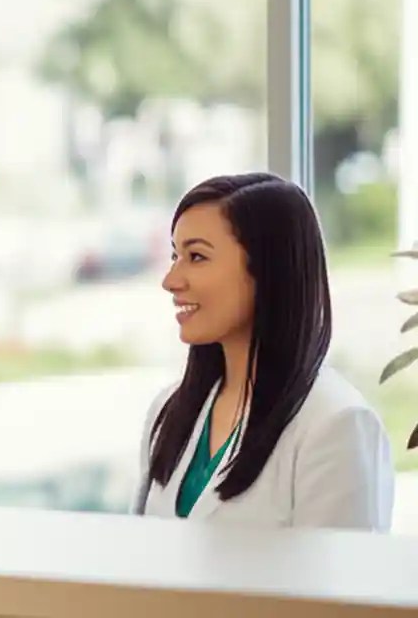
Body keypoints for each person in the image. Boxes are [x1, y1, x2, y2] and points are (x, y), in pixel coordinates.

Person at [132, 173, 393, 530]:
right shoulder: (167, 412)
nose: (171, 280)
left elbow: (344, 583)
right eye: (175, 255)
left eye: (196, 256)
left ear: (268, 268)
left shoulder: (336, 425)